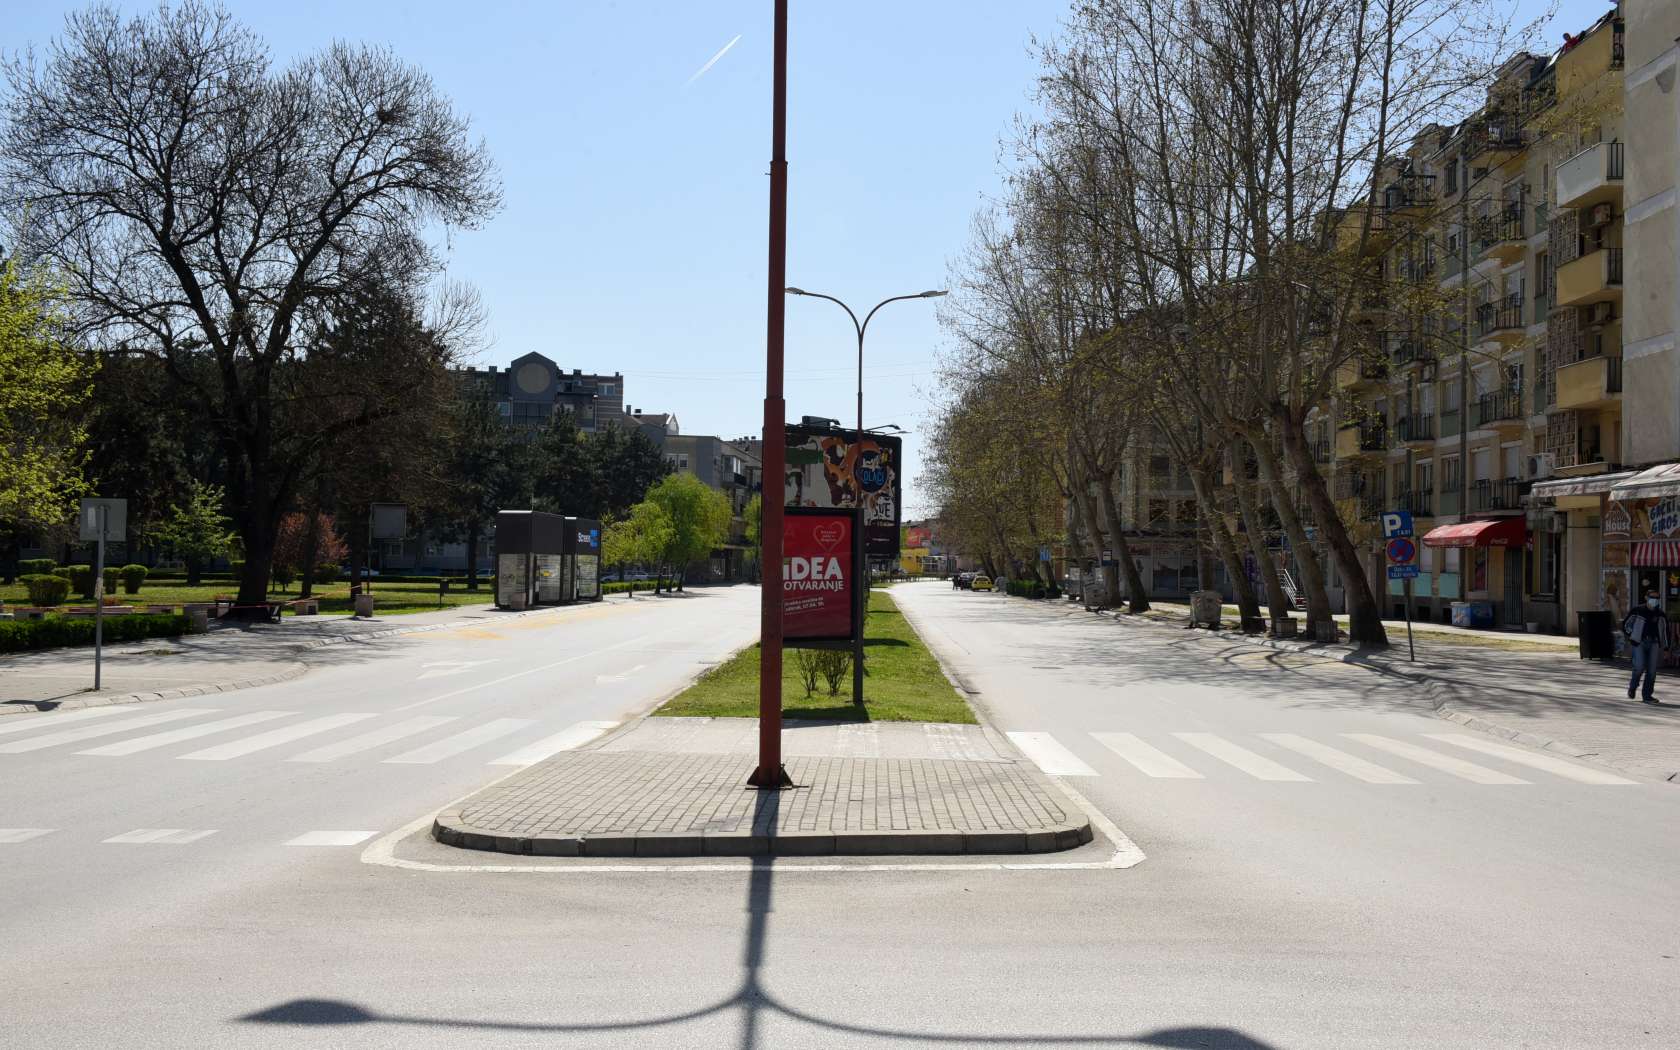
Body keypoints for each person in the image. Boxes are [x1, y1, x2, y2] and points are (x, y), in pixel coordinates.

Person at [1622, 591, 1670, 703]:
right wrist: (1632, 635)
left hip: (1654, 643)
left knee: (1652, 671)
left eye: (1657, 597)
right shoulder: (1638, 610)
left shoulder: (1660, 614)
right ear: (1646, 597)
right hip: (1639, 643)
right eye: (1652, 597)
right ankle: (1633, 687)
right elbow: (1626, 625)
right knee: (1639, 666)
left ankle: (1647, 695)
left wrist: (1666, 648)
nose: (1655, 599)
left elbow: (1666, 632)